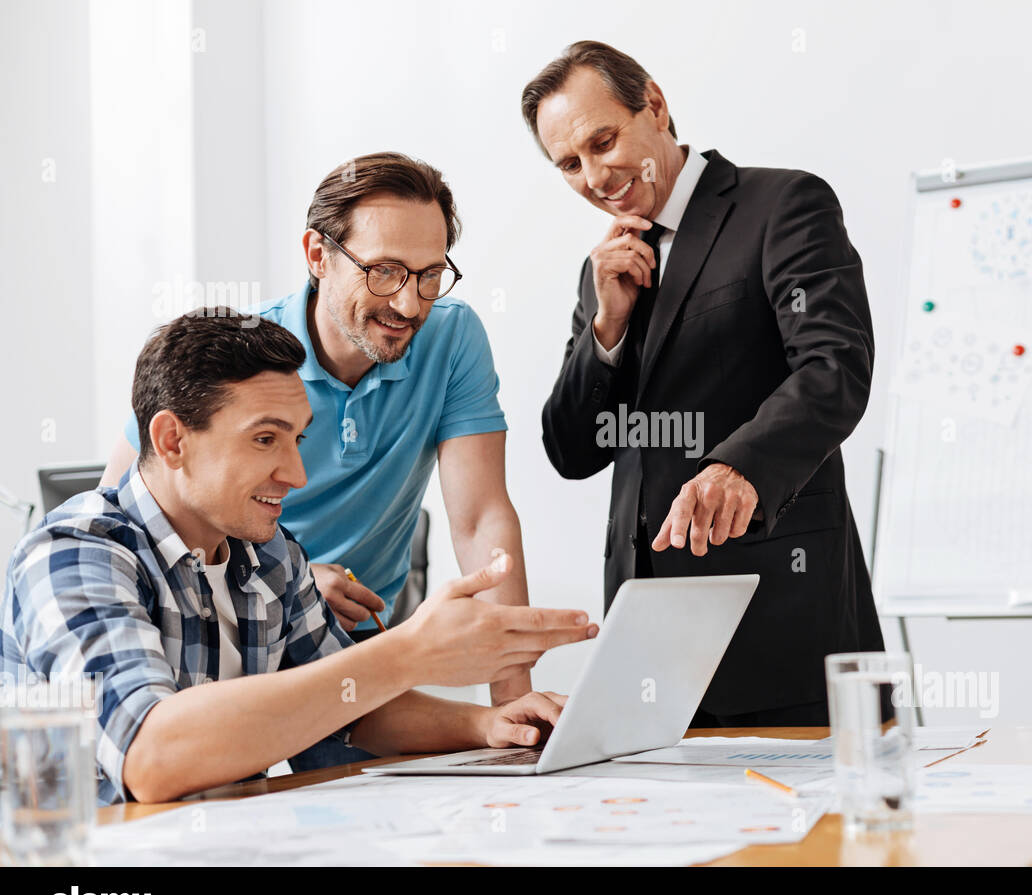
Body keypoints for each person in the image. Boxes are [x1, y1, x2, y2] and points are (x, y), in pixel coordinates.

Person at [3, 311, 595, 805]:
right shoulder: (72, 555)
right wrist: (410, 651)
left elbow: (348, 710)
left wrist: (491, 724)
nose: (297, 474)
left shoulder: (271, 554)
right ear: (171, 440)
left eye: (298, 438)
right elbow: (152, 757)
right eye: (266, 439)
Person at [524, 41, 886, 728]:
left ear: (654, 106)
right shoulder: (602, 269)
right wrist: (606, 328)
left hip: (782, 621)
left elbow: (834, 365)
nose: (596, 175)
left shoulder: (782, 204)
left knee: (818, 834)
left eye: (604, 141)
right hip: (650, 650)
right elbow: (572, 452)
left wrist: (738, 465)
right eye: (569, 163)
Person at [101, 153, 533, 714]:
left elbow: (480, 519)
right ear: (317, 256)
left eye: (429, 276)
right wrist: (290, 584)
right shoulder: (245, 355)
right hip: (224, 632)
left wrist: (512, 704)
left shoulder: (453, 339)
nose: (409, 303)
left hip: (354, 640)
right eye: (384, 271)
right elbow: (128, 512)